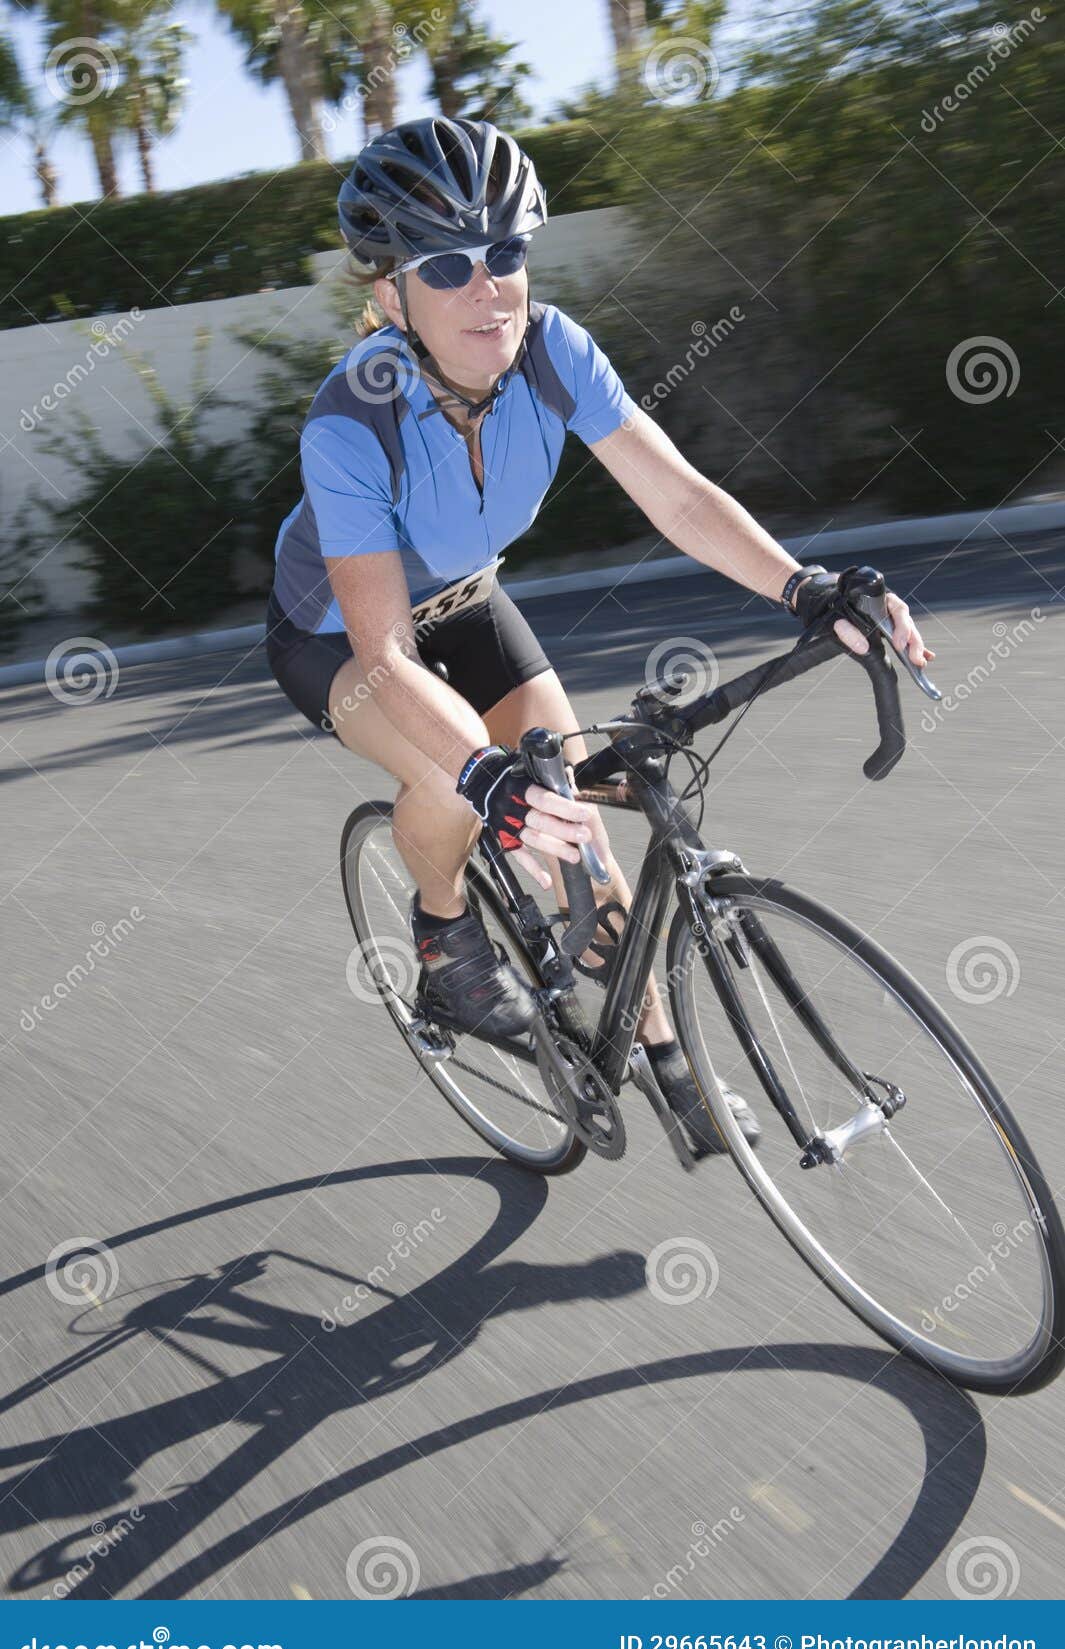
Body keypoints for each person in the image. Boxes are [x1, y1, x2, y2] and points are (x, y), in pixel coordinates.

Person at [265, 117, 933, 1156]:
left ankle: (673, 1067)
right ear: (392, 294)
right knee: (457, 780)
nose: (490, 286)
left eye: (508, 252)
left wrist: (806, 587)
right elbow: (387, 654)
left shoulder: (552, 353)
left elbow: (677, 495)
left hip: (470, 603)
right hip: (340, 641)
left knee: (574, 817)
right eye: (448, 264)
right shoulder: (354, 418)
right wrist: (488, 777)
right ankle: (445, 934)